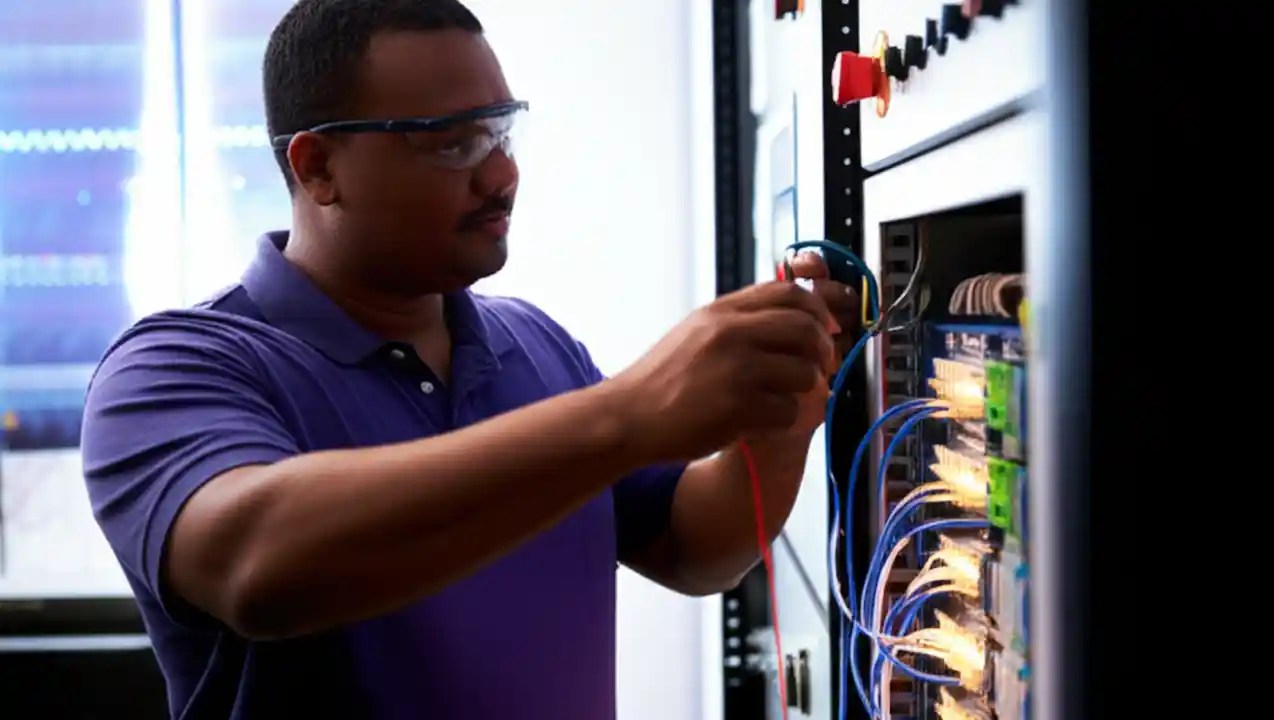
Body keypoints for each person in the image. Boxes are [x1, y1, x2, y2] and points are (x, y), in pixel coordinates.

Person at [80, 1, 859, 718]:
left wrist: (779, 420)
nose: (502, 175)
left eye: (501, 132)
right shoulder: (175, 368)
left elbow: (691, 548)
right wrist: (629, 413)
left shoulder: (534, 343)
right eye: (454, 142)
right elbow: (259, 565)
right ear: (318, 168)